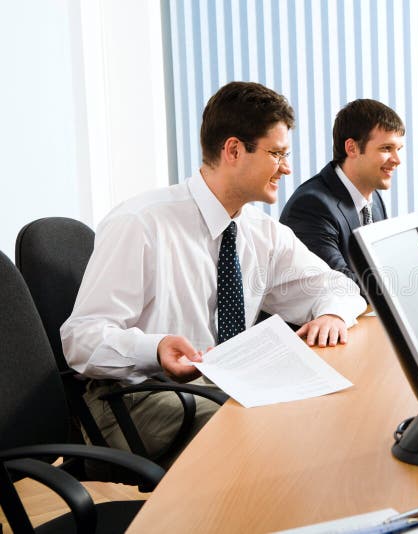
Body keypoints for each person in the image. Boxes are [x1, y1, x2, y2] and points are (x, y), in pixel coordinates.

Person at [61, 81, 366, 464]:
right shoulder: (141, 223)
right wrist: (153, 349)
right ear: (234, 150)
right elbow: (80, 339)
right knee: (274, 435)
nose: (287, 168)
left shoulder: (261, 231)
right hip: (136, 396)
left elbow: (339, 287)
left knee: (335, 411)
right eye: (277, 154)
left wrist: (333, 312)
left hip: (221, 382)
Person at [280, 99, 404, 285]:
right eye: (386, 148)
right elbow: (340, 284)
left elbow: (383, 271)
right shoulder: (311, 205)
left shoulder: (373, 199)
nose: (397, 160)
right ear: (351, 148)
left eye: (398, 149)